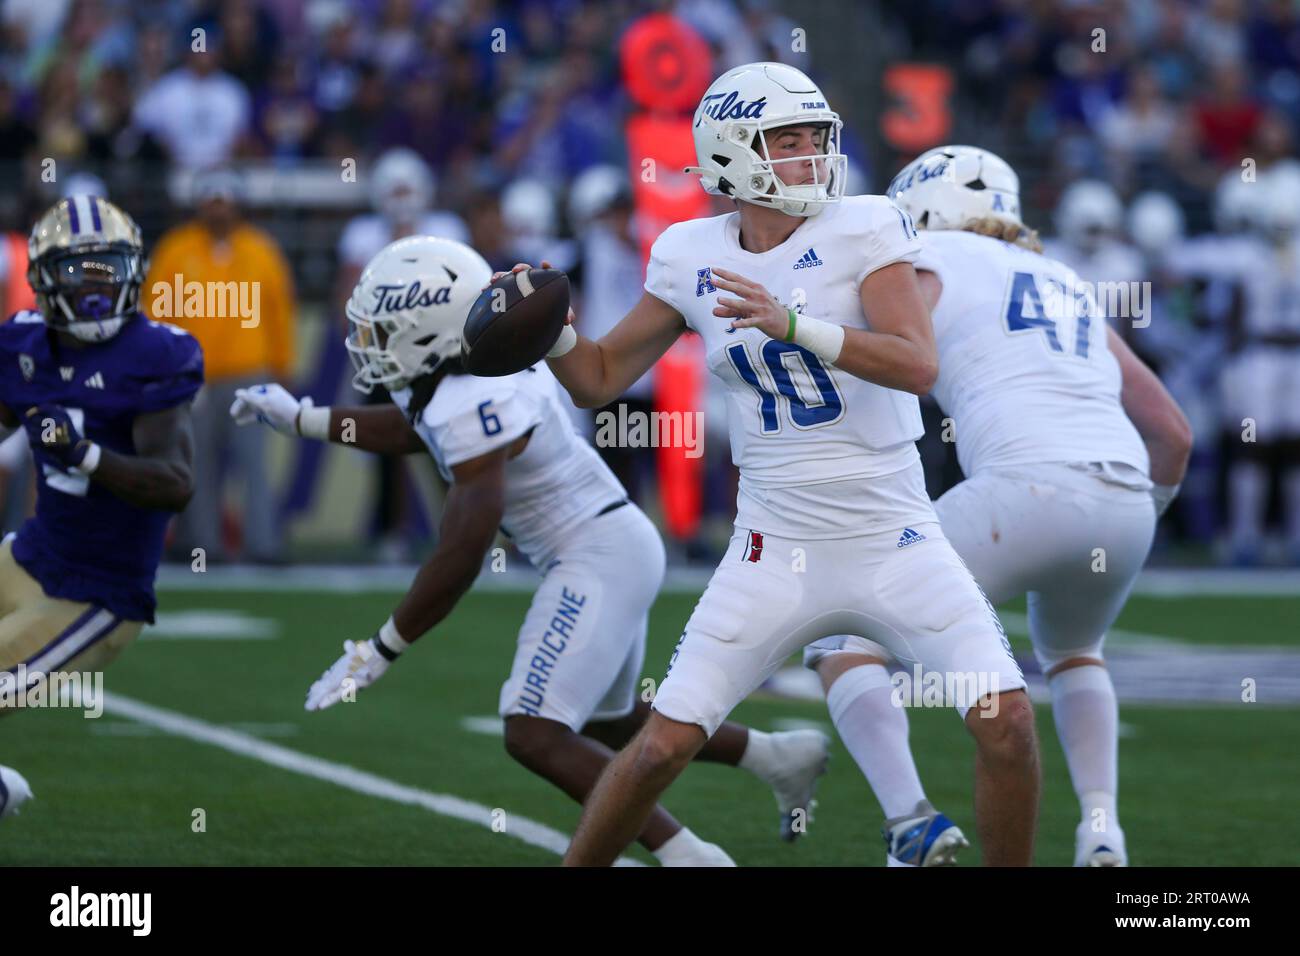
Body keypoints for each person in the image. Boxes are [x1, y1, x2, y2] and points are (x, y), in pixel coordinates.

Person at [529, 62, 1039, 867]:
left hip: (895, 536)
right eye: (787, 140)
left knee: (1007, 722)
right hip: (772, 548)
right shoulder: (688, 251)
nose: (810, 156)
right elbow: (598, 378)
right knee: (660, 749)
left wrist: (793, 322)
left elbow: (916, 363)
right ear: (732, 153)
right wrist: (548, 333)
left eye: (816, 138)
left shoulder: (865, 226)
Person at [230, 235, 830, 865]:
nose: (373, 345)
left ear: (431, 330)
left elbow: (464, 544)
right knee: (606, 722)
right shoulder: (457, 370)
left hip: (594, 554)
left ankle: (690, 855)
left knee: (533, 731)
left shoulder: (478, 396)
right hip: (608, 544)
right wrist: (303, 419)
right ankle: (775, 755)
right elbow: (418, 428)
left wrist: (384, 647)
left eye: (386, 330)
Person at [802, 146, 1193, 867]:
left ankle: (909, 823)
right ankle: (1102, 832)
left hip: (1024, 491)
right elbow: (1172, 432)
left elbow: (878, 370)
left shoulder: (930, 260)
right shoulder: (1065, 280)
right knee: (1076, 653)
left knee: (836, 634)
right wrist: (1133, 513)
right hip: (1128, 498)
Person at [0, 196, 203, 820]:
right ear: (42, 279)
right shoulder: (22, 345)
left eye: (107, 269)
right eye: (76, 271)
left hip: (97, 595)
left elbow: (175, 482)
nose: (93, 286)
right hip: (29, 557)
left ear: (132, 273)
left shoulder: (157, 356)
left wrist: (87, 455)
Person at [146, 167, 295, 563]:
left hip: (250, 373)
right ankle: (202, 546)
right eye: (212, 201)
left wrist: (282, 365)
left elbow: (279, 312)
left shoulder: (262, 249)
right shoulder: (176, 249)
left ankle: (264, 545)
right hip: (195, 376)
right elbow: (156, 313)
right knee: (197, 464)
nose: (218, 209)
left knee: (255, 464)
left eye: (225, 201)